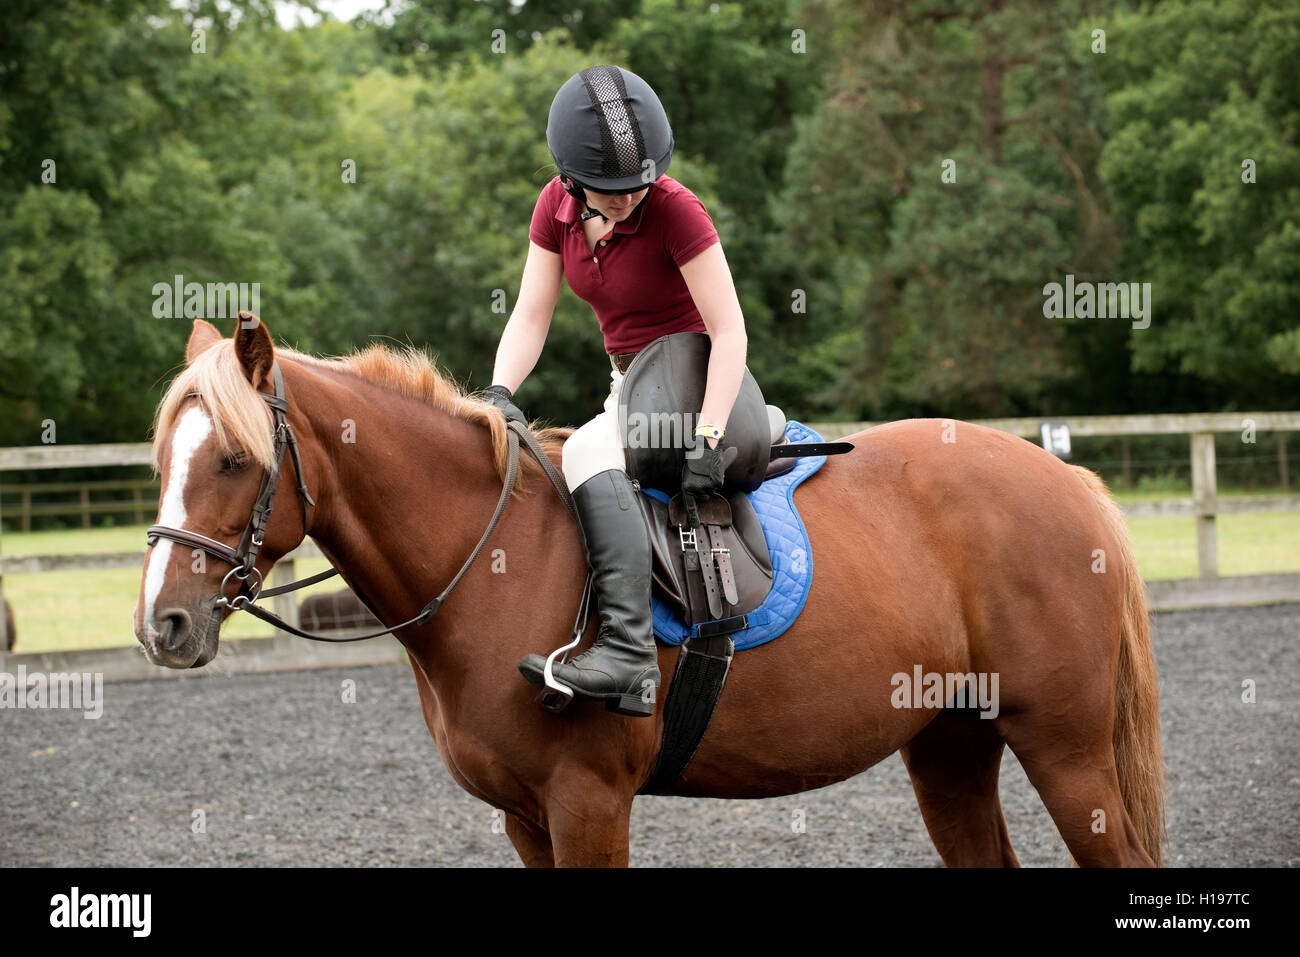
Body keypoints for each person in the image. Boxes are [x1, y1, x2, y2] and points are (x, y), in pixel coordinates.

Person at [483, 65, 748, 717]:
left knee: (583, 453)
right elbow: (531, 313)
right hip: (629, 386)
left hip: (692, 378)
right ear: (571, 180)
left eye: (640, 183)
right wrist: (498, 389)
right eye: (611, 188)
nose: (629, 196)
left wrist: (709, 438)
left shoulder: (677, 209)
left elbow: (730, 330)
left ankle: (630, 655)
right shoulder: (555, 207)